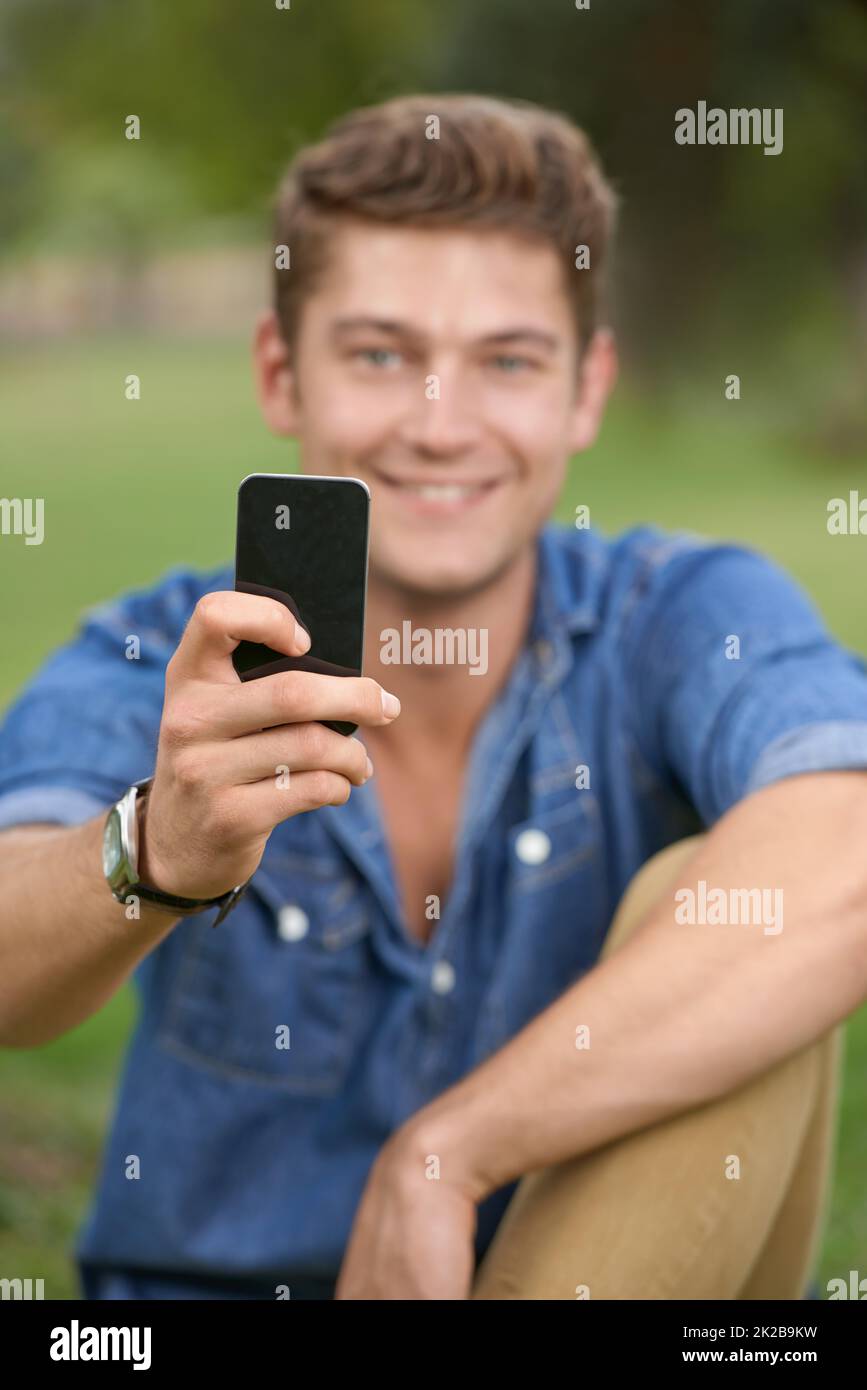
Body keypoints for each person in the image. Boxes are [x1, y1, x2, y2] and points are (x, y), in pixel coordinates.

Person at [1, 93, 865, 1301]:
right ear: (279, 371)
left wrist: (446, 1156)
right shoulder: (167, 654)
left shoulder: (676, 611)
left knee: (735, 911)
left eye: (507, 361)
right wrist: (152, 847)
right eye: (379, 354)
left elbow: (849, 852)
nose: (438, 425)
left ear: (586, 388)